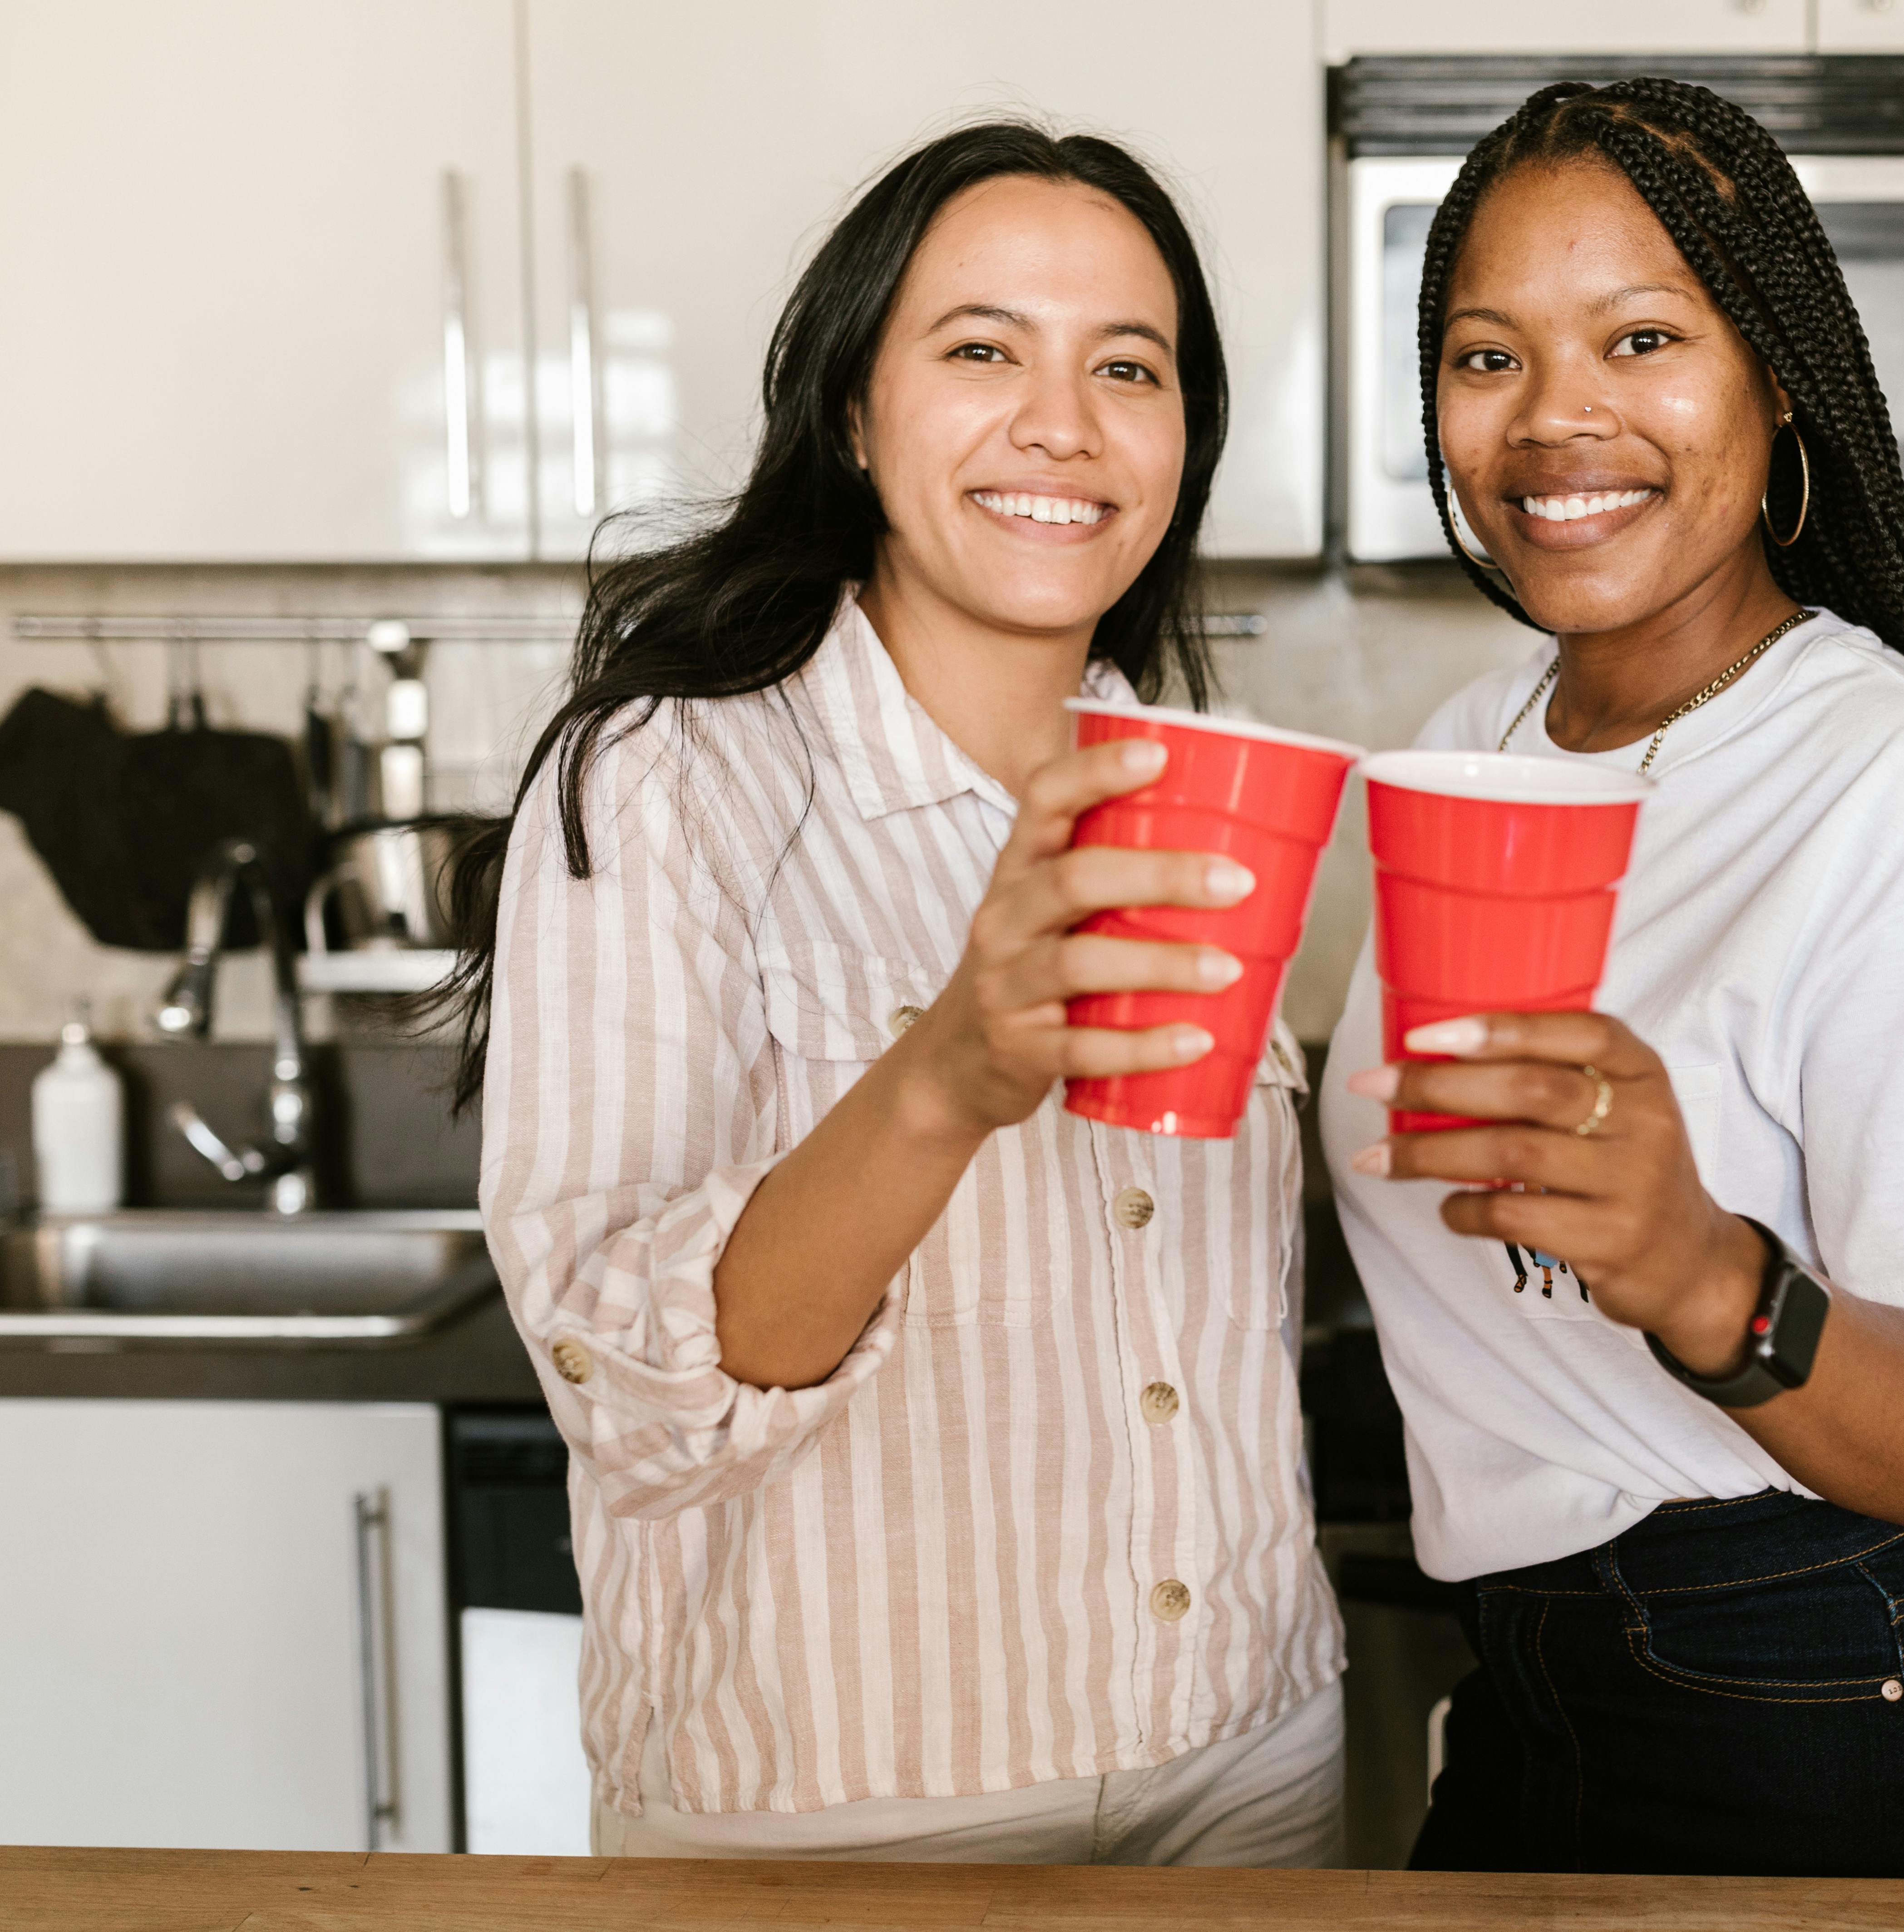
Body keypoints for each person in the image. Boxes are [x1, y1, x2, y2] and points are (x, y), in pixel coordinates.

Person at [450, 123, 1341, 1866]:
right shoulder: (668, 776)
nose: (1061, 422)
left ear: (1182, 443)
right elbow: (632, 1390)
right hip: (847, 1821)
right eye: (983, 348)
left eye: (1128, 368)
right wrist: (945, 1074)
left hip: (1248, 1766)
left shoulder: (1204, 793)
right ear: (855, 415)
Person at [1322, 79, 1904, 1879]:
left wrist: (1705, 1269)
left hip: (1829, 1699)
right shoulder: (1476, 747)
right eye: (1487, 356)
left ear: (1774, 376)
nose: (1557, 421)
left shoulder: (1885, 779)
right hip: (1541, 1681)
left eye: (1642, 337)